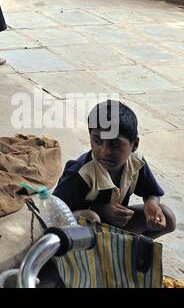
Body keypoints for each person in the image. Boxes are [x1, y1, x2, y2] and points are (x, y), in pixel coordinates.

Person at [53, 101, 175, 239]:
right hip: (80, 234)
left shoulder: (135, 163)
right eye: (97, 141)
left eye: (115, 144)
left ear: (134, 145)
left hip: (115, 227)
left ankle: (129, 249)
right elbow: (55, 212)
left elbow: (151, 192)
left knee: (167, 217)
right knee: (91, 218)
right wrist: (102, 210)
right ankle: (91, 257)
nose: (105, 151)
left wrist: (151, 204)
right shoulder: (80, 173)